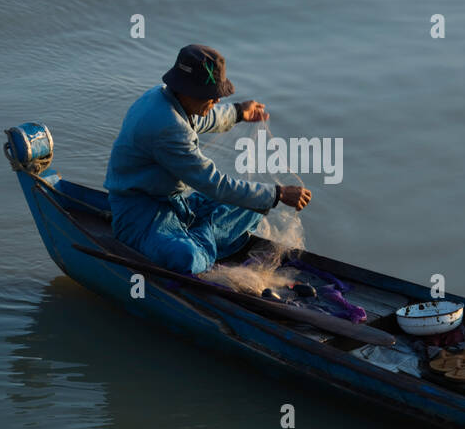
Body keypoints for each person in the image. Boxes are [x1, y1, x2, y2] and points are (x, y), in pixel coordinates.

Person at [105, 44, 312, 274]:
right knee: (186, 258)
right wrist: (278, 194)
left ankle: (199, 232)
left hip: (176, 205)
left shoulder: (163, 96)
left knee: (254, 205)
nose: (215, 102)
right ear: (188, 91)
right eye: (211, 97)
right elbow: (214, 184)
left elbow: (200, 118)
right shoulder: (167, 127)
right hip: (141, 215)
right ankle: (202, 237)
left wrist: (238, 112)